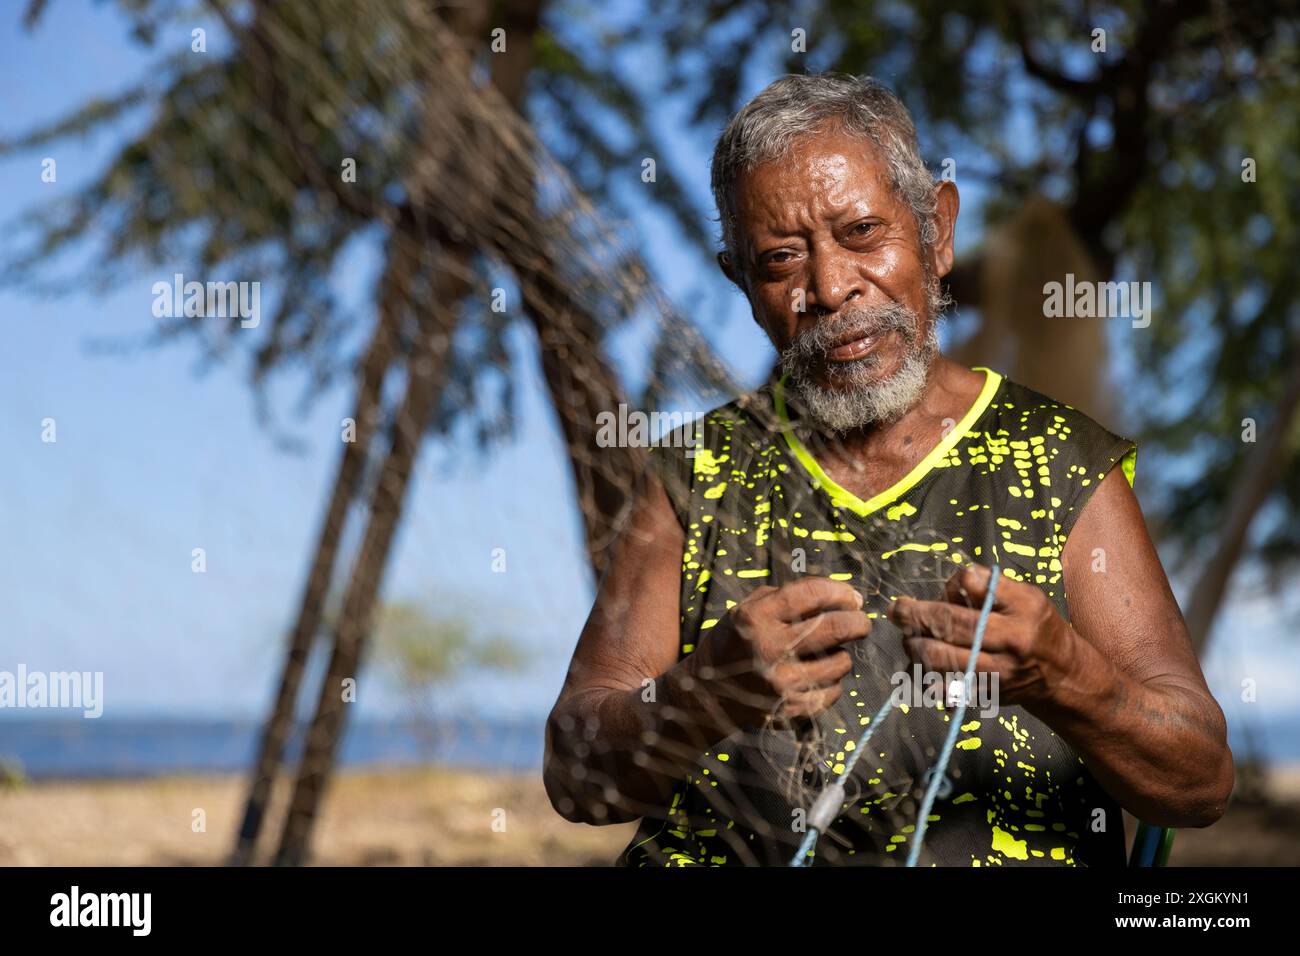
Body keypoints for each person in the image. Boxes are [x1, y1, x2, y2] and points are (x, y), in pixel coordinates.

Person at [542, 73, 1232, 866]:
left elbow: (1201, 782)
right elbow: (574, 776)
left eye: (864, 232)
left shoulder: (1058, 463)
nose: (831, 288)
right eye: (779, 258)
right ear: (740, 280)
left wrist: (1067, 677)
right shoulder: (693, 477)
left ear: (937, 232)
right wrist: (703, 695)